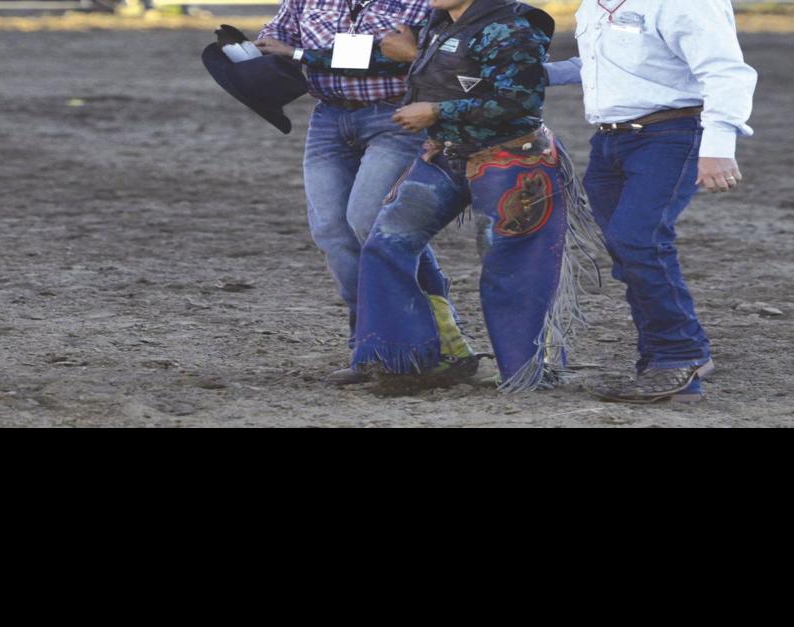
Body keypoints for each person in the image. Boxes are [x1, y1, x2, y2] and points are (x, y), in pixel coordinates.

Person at [346, 0, 591, 392]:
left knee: (511, 266)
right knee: (385, 243)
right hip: (446, 155)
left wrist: (438, 111)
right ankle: (421, 359)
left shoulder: (511, 28)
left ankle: (525, 373)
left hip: (512, 160)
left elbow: (518, 101)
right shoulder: (440, 22)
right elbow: (460, 74)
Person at [543, 0, 758, 404]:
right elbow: (602, 64)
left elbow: (725, 69)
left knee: (638, 241)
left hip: (670, 135)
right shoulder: (593, 6)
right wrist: (540, 74)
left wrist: (718, 145)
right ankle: (661, 360)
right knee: (628, 250)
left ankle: (680, 355)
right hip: (610, 143)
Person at [252, 0, 460, 386]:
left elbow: (394, 58)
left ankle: (437, 343)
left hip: (397, 116)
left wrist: (298, 53)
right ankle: (371, 347)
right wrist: (262, 47)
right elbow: (277, 35)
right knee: (333, 232)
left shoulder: (421, 3)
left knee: (371, 222)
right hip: (329, 117)